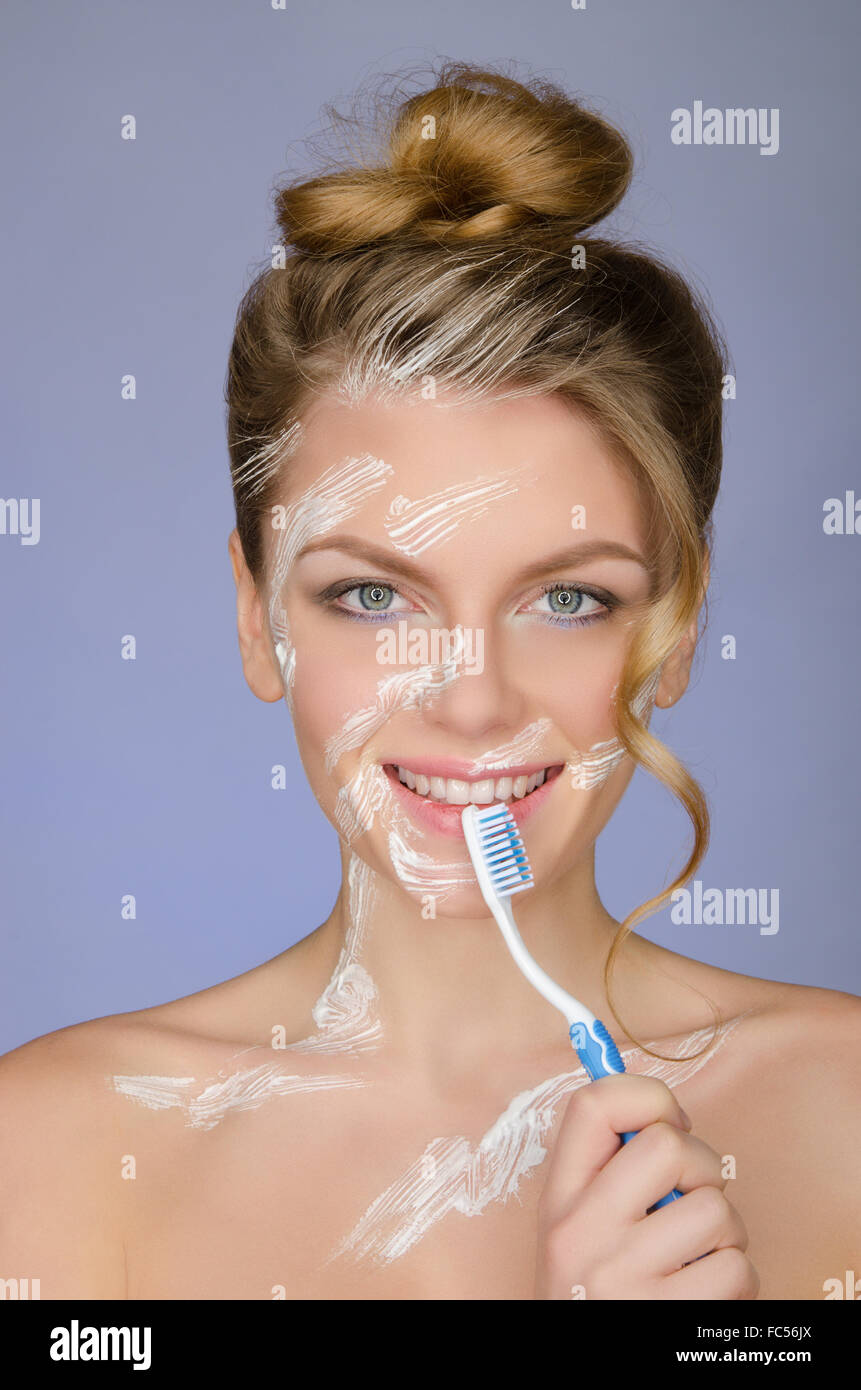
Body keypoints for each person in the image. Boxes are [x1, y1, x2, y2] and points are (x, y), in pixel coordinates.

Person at [1, 62, 858, 1301]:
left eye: (568, 599)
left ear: (676, 629)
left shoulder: (844, 1111)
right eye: (373, 596)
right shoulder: (50, 1150)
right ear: (256, 616)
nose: (470, 700)